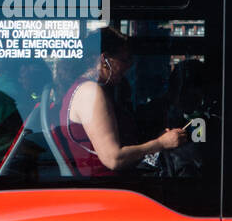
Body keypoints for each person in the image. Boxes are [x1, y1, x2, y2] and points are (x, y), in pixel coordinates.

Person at [57, 27, 187, 175]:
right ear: (104, 60)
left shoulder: (81, 88)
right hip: (109, 185)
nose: (129, 65)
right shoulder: (91, 92)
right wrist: (161, 143)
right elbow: (113, 159)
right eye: (124, 60)